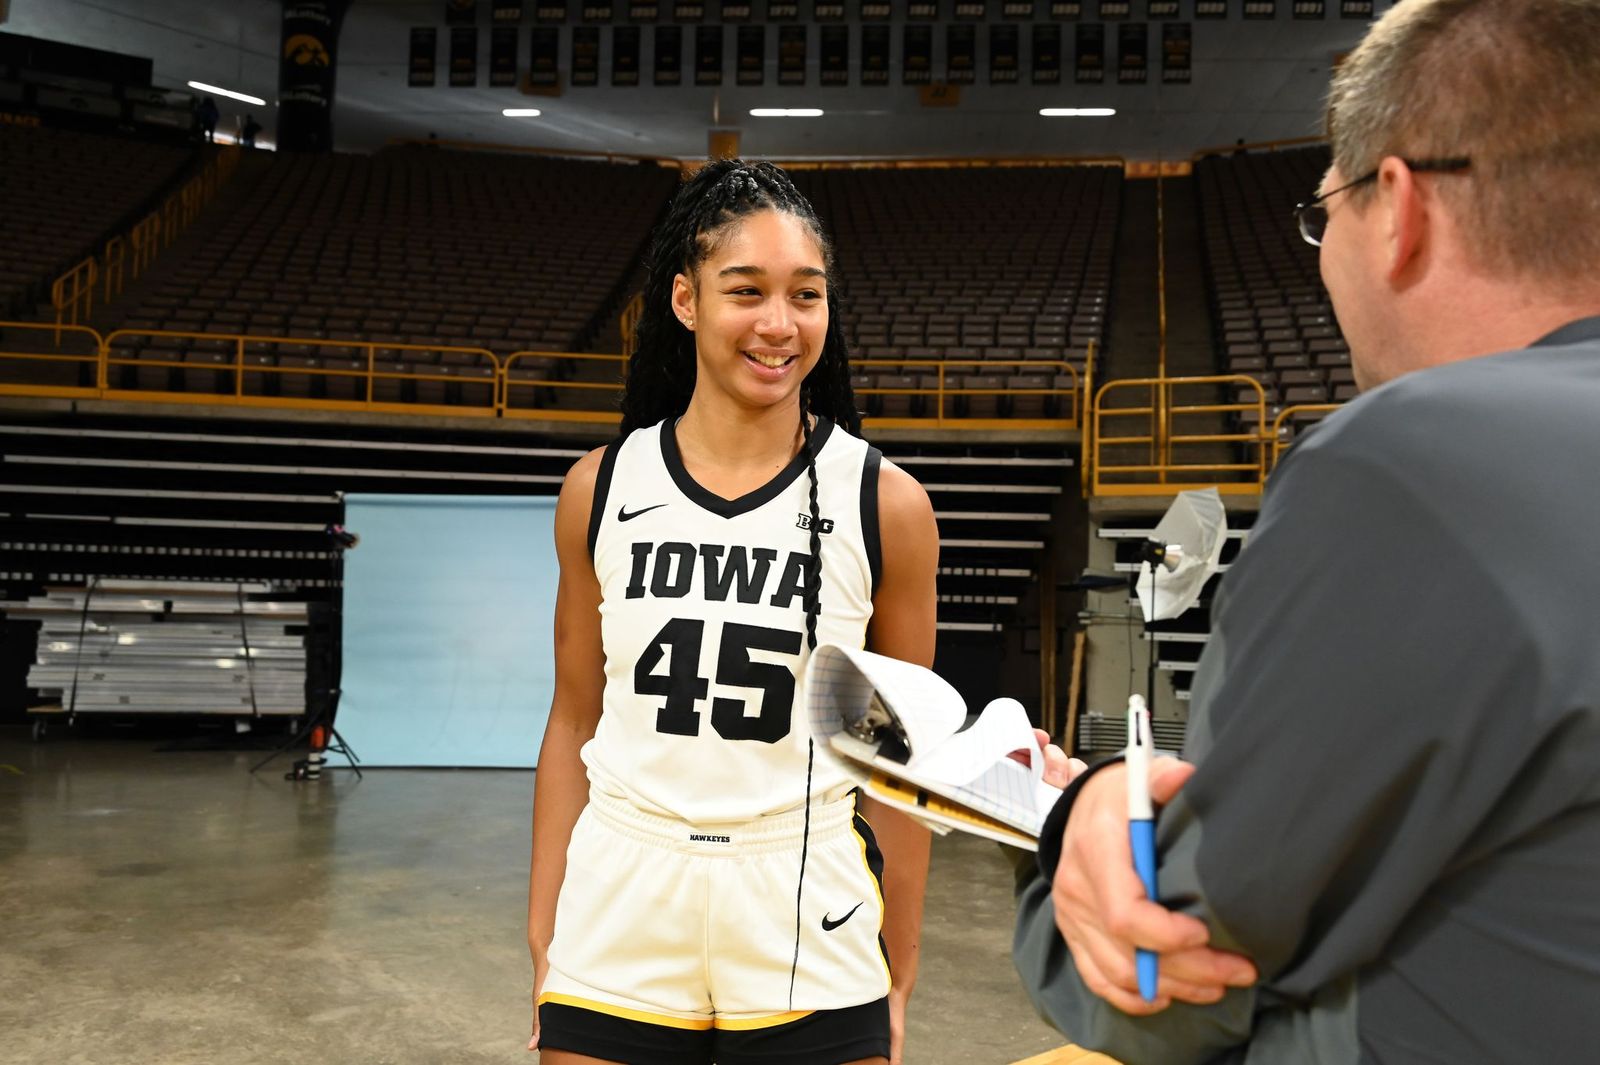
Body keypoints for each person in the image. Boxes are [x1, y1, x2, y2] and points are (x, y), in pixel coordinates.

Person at [1014, 1, 1600, 1062]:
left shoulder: (1410, 462)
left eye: (1324, 211)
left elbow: (1172, 974)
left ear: (1400, 207)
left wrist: (1075, 819)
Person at [528, 159, 940, 1065]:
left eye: (806, 294)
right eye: (746, 290)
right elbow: (574, 718)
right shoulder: (600, 488)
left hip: (806, 884)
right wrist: (544, 924)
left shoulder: (886, 505)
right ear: (686, 299)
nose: (779, 323)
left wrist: (898, 968)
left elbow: (898, 761)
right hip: (623, 880)